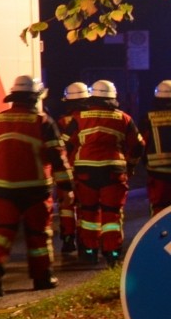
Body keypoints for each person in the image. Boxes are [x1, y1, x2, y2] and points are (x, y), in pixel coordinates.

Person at [0, 76, 72, 296]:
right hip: (36, 191)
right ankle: (42, 278)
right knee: (38, 234)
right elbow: (57, 157)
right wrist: (66, 187)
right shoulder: (43, 122)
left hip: (3, 190)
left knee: (2, 231)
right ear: (35, 97)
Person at [66, 79, 146, 265]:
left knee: (89, 212)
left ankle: (89, 250)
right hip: (114, 171)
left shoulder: (79, 118)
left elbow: (66, 143)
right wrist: (131, 165)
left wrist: (69, 168)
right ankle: (113, 253)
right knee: (112, 213)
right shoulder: (123, 118)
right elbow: (139, 145)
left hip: (85, 172)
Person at [53, 82, 91, 254]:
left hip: (67, 169)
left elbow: (59, 146)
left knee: (67, 205)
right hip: (87, 167)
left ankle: (68, 239)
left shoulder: (62, 121)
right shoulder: (91, 119)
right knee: (85, 205)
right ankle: (85, 240)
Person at [144, 80, 171, 214]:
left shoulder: (148, 118)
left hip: (157, 172)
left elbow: (141, 143)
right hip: (157, 172)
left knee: (159, 210)